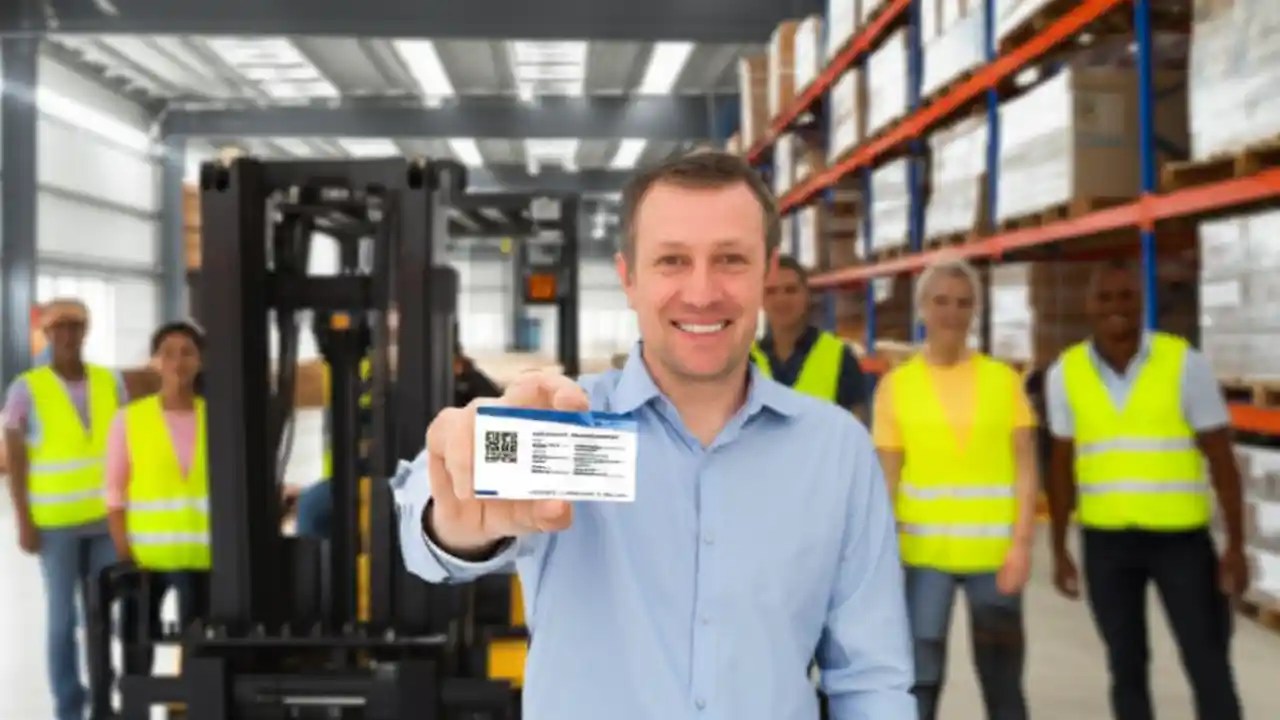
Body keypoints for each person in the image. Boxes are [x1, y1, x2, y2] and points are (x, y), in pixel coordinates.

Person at [393, 151, 914, 719]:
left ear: (767, 271)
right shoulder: (564, 427)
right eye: (672, 261)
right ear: (629, 279)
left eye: (731, 260)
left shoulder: (835, 451)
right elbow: (427, 527)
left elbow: (871, 681)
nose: (701, 291)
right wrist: (455, 520)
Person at [1045, 260, 1247, 720]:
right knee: (1126, 667)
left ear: (1141, 304)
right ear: (1088, 306)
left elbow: (1222, 459)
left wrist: (1235, 546)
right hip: (1106, 544)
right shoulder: (1065, 373)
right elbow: (1060, 468)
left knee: (1208, 661)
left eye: (1126, 297)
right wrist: (1059, 548)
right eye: (1105, 298)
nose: (1117, 308)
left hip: (1182, 544)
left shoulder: (1184, 364)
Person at [872, 259, 1038, 720]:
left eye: (963, 303)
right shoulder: (896, 387)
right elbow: (886, 477)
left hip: (994, 556)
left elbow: (1026, 469)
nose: (952, 313)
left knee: (1003, 684)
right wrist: (878, 555)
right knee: (920, 683)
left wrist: (1022, 545)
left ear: (975, 312)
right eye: (941, 301)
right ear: (922, 308)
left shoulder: (1003, 381)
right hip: (923, 558)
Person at [3, 298, 128, 720]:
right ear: (47, 333)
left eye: (76, 326)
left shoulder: (111, 382)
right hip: (55, 526)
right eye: (60, 327)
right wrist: (23, 519)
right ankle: (69, 707)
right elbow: (15, 458)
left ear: (86, 331)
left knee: (105, 619)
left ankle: (104, 701)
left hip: (105, 522)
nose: (68, 335)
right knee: (62, 621)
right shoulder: (26, 388)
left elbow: (127, 447)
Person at [294, 341, 503, 540]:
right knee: (313, 506)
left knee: (313, 508)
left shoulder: (470, 390)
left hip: (439, 481)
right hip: (387, 476)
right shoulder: (375, 386)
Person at [105, 320, 211, 673]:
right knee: (137, 650)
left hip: (201, 559)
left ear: (200, 361)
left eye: (187, 353)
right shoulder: (130, 420)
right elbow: (114, 494)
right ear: (155, 361)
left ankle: (187, 710)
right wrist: (125, 554)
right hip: (146, 559)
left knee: (199, 656)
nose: (177, 362)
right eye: (168, 353)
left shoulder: (216, 418)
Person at [754, 254, 868, 420]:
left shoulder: (839, 357)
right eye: (771, 292)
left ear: (807, 295)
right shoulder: (745, 362)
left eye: (791, 290)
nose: (781, 299)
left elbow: (857, 432)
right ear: (760, 300)